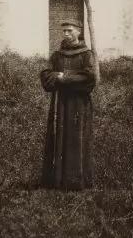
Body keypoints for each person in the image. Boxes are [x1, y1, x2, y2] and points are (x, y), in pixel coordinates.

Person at [39, 19, 96, 190]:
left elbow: (89, 77)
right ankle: (57, 181)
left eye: (70, 30)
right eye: (64, 31)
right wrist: (55, 77)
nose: (66, 34)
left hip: (79, 104)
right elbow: (46, 75)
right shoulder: (57, 55)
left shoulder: (87, 54)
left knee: (76, 139)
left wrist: (65, 77)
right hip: (60, 102)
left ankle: (77, 181)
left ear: (79, 31)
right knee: (58, 138)